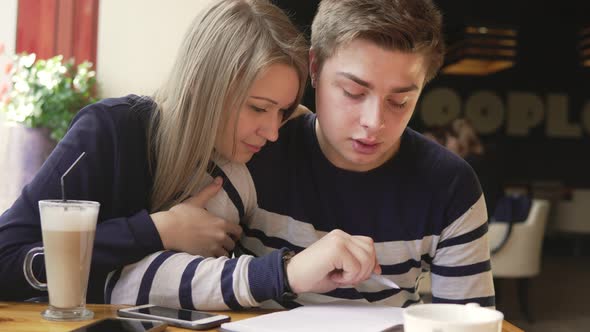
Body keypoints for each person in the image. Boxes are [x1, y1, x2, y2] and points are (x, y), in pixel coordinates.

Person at [107, 0, 495, 310]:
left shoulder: (450, 186)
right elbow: (133, 283)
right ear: (314, 68)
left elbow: (470, 320)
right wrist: (285, 273)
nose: (373, 122)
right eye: (353, 93)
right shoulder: (257, 153)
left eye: (400, 100)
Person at [0, 0, 377, 304]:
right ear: (203, 88)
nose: (272, 132)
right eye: (258, 108)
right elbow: (6, 262)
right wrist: (158, 229)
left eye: (282, 111)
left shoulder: (249, 152)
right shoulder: (110, 131)